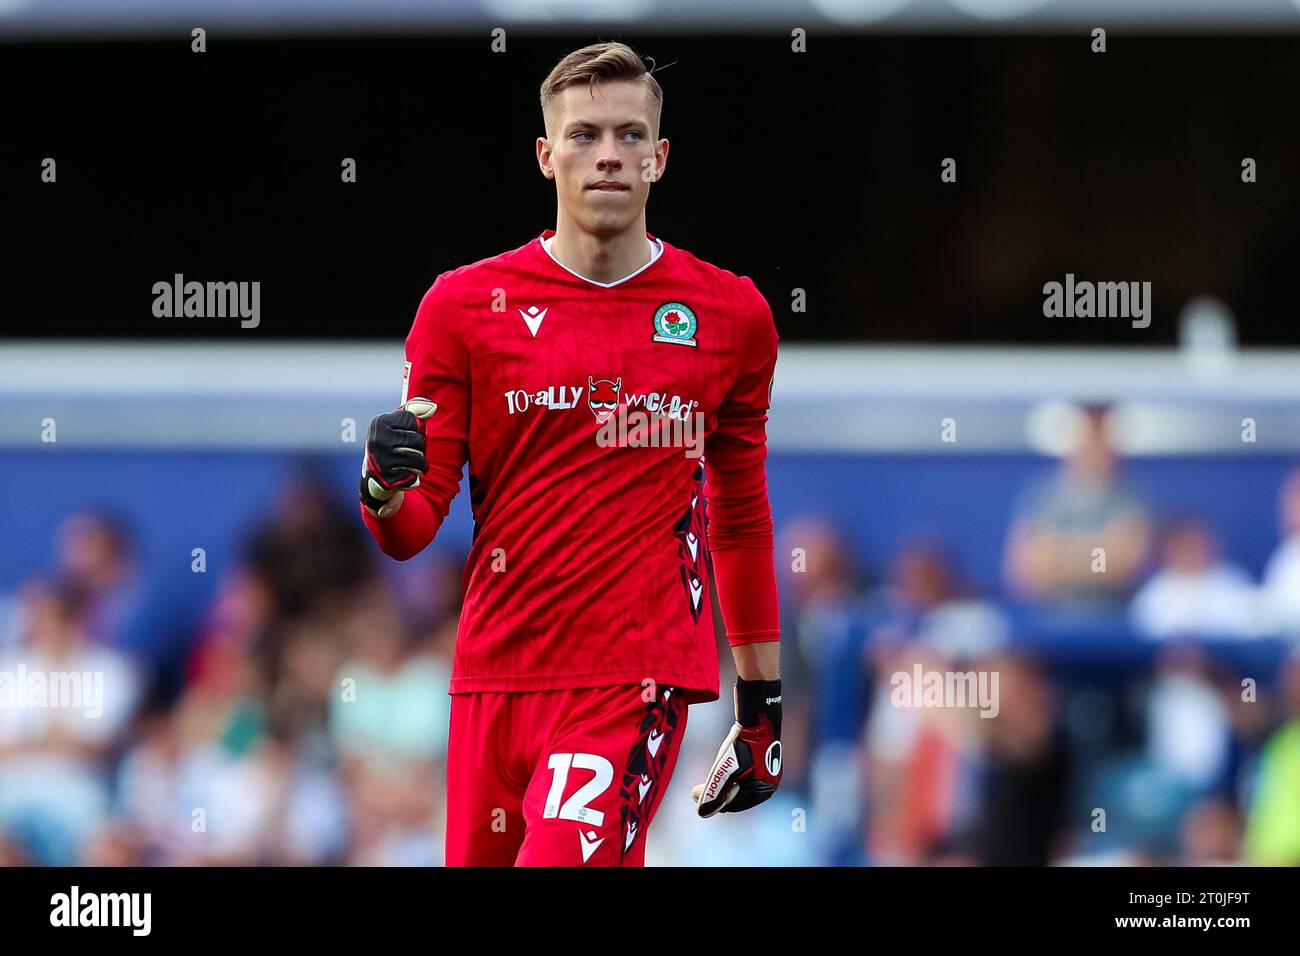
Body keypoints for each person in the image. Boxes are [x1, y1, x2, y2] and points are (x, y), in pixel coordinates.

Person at [357, 42, 782, 866]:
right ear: (547, 155)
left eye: (630, 136)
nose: (609, 155)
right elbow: (409, 530)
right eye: (585, 135)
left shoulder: (731, 316)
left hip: (631, 678)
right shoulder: (463, 307)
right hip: (492, 678)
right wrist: (379, 484)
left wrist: (760, 704)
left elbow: (740, 512)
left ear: (660, 159)